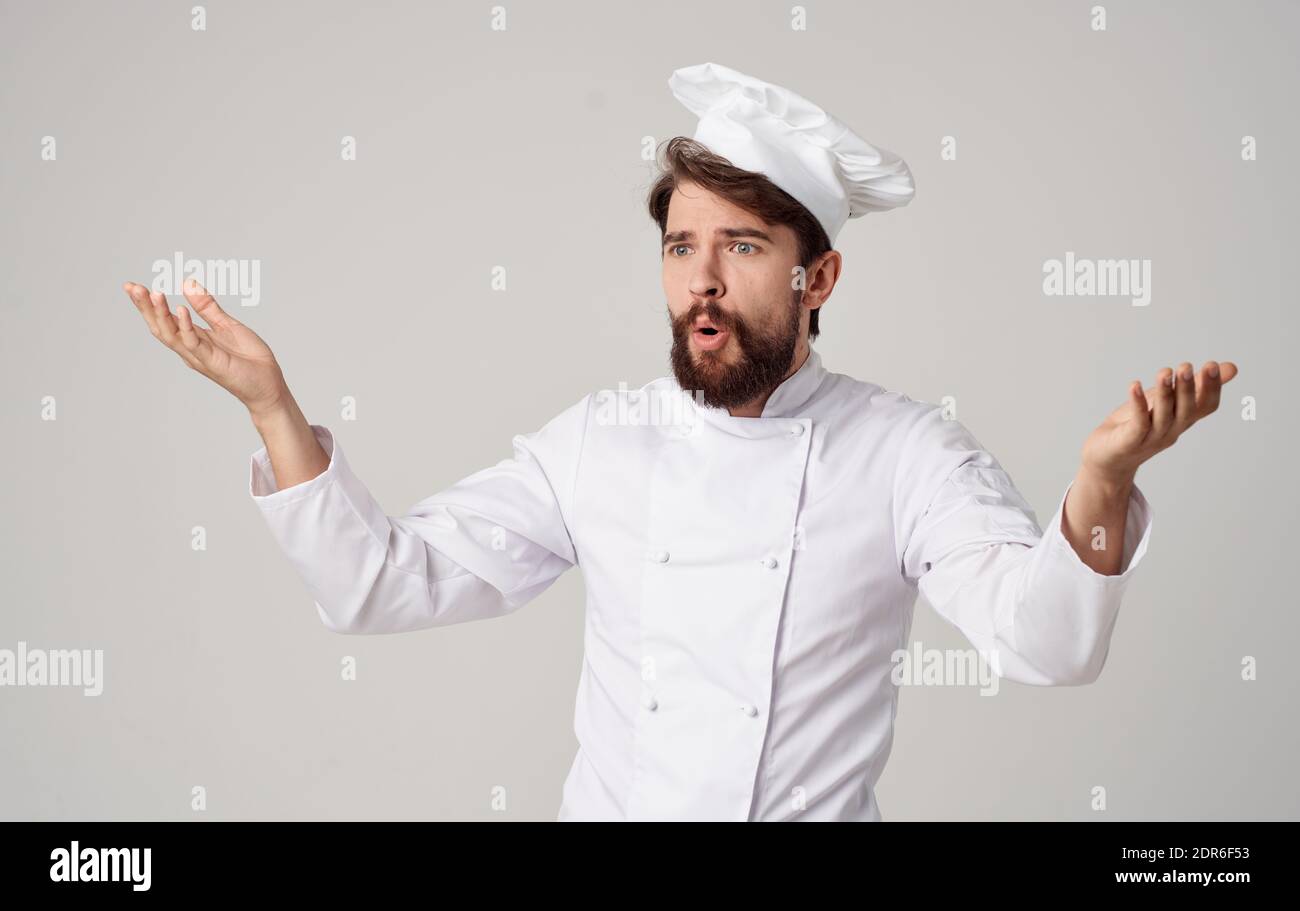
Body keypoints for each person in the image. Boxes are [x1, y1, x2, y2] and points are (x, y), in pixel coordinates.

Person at [119, 62, 1237, 821]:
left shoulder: (905, 454)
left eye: (741, 247)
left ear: (818, 277)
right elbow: (380, 584)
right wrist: (272, 407)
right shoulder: (598, 442)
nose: (699, 282)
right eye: (679, 245)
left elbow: (1043, 644)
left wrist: (1100, 480)